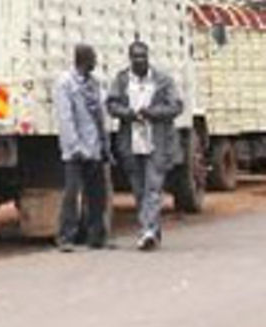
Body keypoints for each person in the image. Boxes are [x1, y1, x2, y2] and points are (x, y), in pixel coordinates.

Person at [107, 41, 183, 251]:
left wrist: (153, 113)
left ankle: (147, 230)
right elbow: (111, 105)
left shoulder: (163, 80)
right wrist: (129, 114)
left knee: (153, 187)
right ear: (130, 58)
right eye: (136, 57)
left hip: (156, 142)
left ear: (148, 57)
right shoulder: (122, 80)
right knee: (139, 190)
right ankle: (152, 229)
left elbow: (176, 106)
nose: (140, 60)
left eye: (143, 56)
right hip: (130, 143)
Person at [53, 43, 109, 251]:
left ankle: (96, 237)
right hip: (76, 151)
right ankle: (66, 237)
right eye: (93, 57)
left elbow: (100, 116)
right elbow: (65, 117)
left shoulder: (94, 83)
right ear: (83, 59)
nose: (96, 61)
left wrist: (104, 145)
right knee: (72, 194)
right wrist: (74, 146)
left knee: (97, 194)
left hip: (94, 147)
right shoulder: (66, 84)